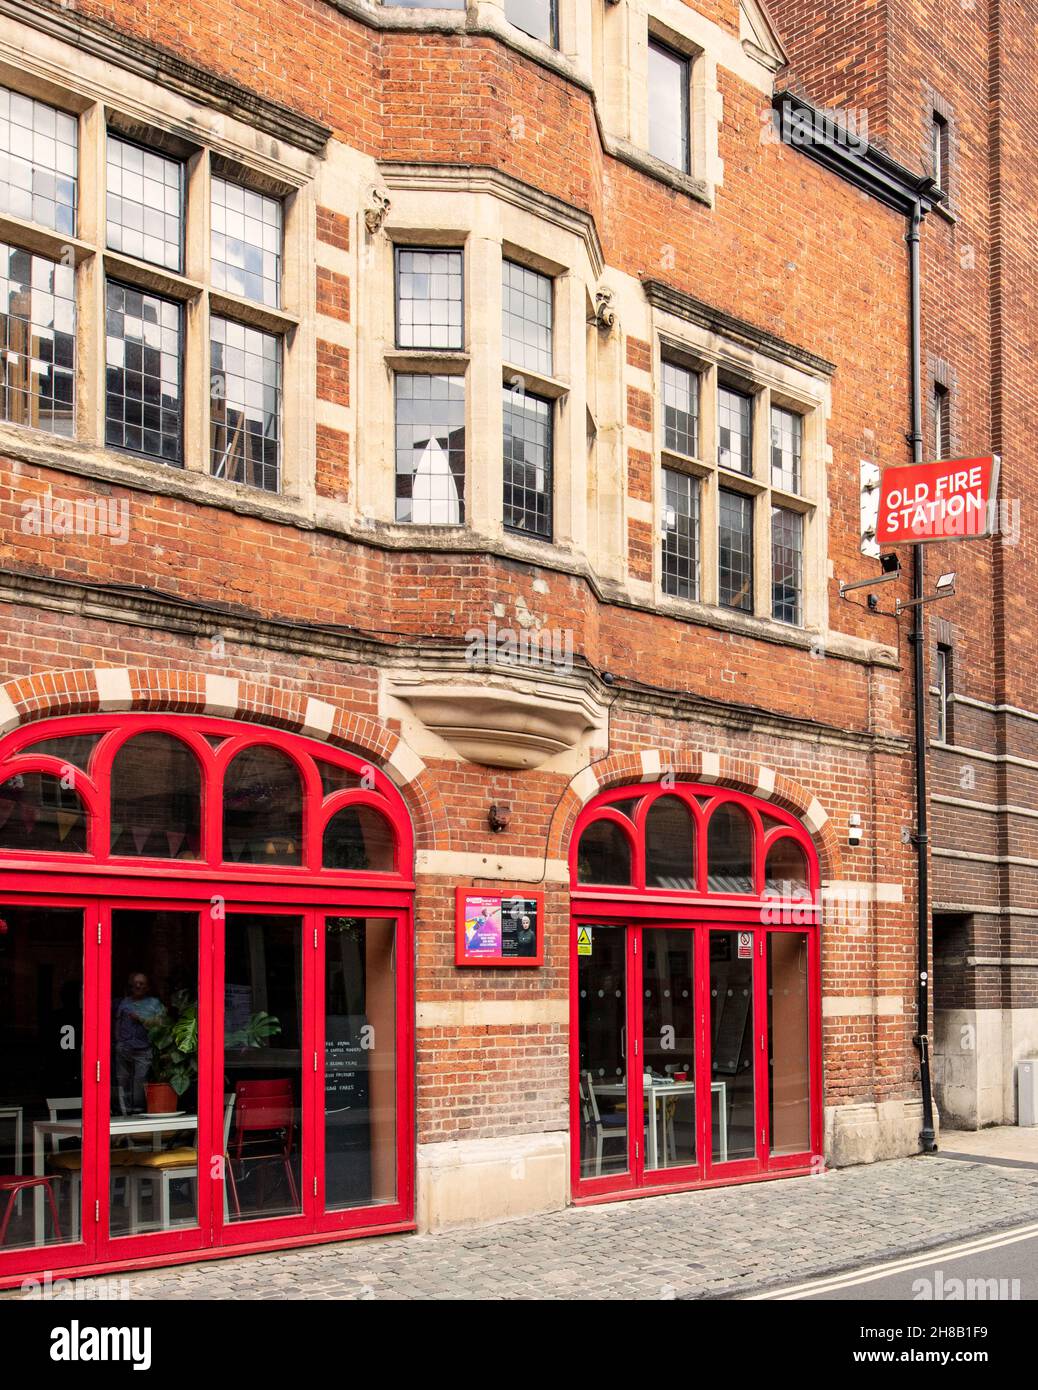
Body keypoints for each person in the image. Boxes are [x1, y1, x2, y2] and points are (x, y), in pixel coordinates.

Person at [114, 973, 164, 1114]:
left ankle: (138, 1113)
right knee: (122, 1080)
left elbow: (162, 1024)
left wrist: (141, 1019)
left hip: (144, 1049)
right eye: (136, 983)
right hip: (124, 1048)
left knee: (139, 1082)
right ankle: (123, 1111)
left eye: (142, 983)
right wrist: (118, 1041)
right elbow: (118, 1022)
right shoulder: (125, 1002)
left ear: (147, 987)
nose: (138, 986)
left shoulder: (154, 1003)